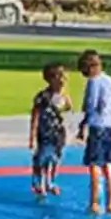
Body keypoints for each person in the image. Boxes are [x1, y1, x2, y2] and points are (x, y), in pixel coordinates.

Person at [76, 50, 111, 215]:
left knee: (94, 164)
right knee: (108, 164)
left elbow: (92, 105)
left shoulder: (94, 82)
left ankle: (94, 203)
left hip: (97, 126)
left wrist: (83, 125)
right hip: (110, 127)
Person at [28, 62, 72, 197]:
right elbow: (35, 117)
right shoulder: (42, 97)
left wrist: (64, 100)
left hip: (58, 134)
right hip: (44, 133)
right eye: (61, 78)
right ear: (51, 79)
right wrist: (32, 136)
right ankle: (38, 184)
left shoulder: (64, 96)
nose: (64, 81)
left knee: (55, 159)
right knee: (41, 159)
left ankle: (50, 182)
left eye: (64, 78)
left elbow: (69, 107)